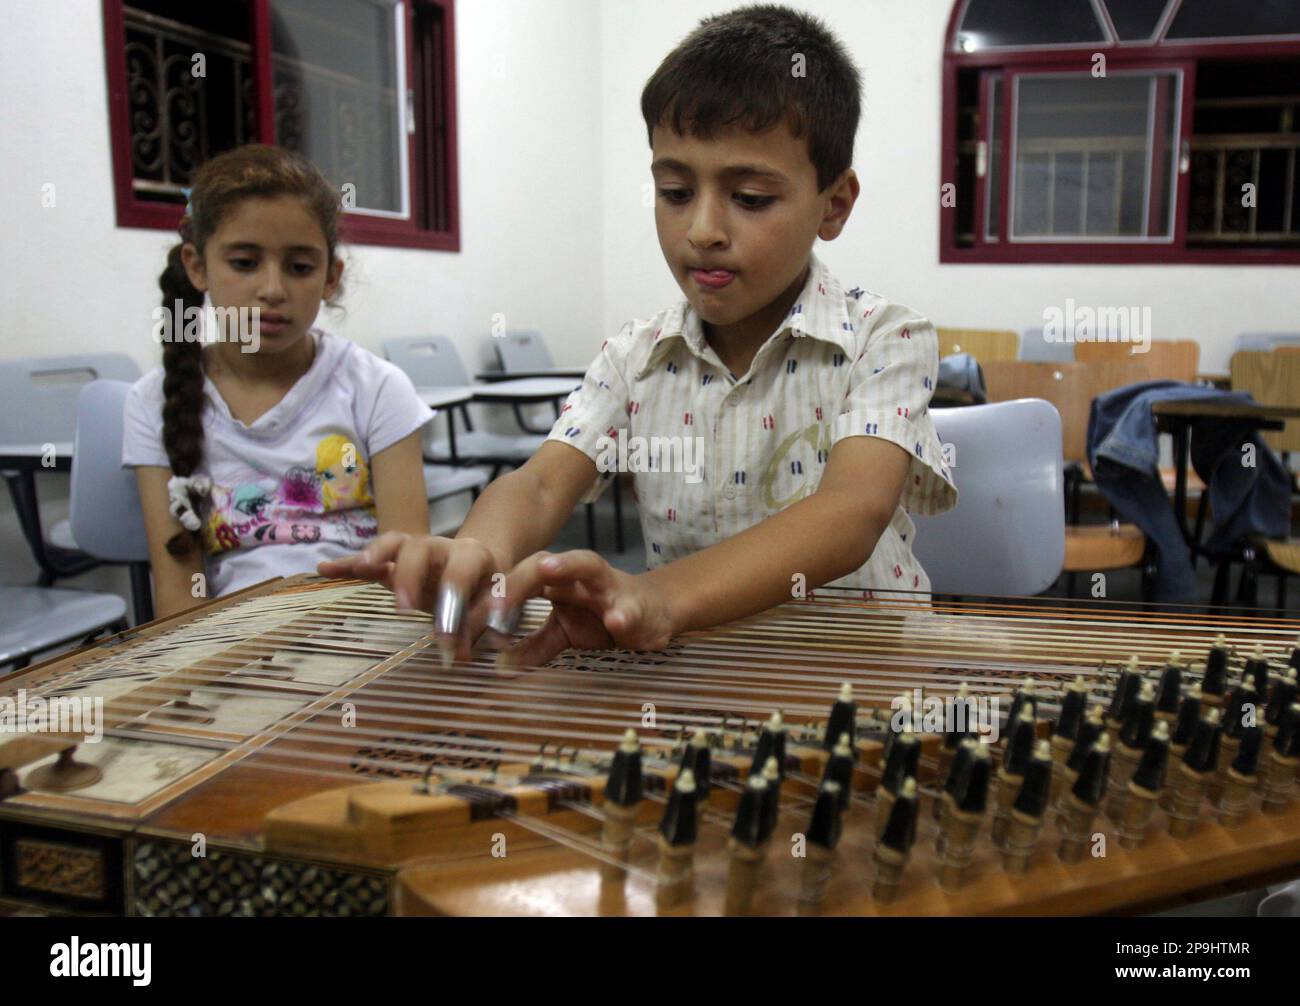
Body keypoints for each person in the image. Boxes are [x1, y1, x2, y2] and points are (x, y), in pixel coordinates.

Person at [322, 4, 956, 667]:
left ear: (834, 204)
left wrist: (658, 596)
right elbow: (540, 486)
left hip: (862, 676)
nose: (703, 228)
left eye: (750, 198)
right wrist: (479, 548)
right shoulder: (634, 357)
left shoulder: (884, 338)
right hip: (692, 680)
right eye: (676, 191)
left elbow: (849, 512)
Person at [124, 144, 433, 618]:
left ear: (331, 277)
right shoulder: (151, 402)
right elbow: (178, 595)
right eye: (245, 263)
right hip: (230, 645)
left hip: (364, 628)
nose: (272, 290)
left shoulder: (378, 389)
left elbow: (407, 570)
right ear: (197, 266)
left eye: (300, 267)